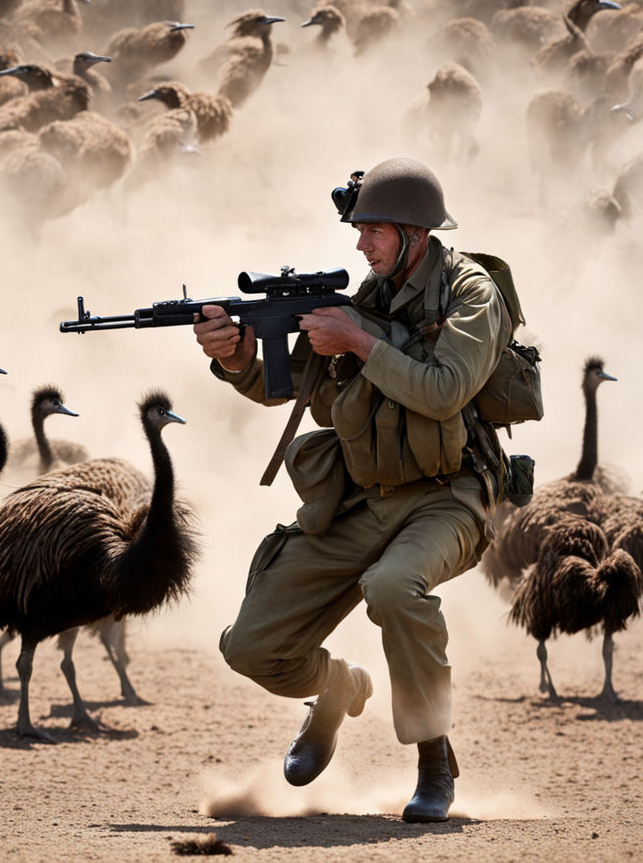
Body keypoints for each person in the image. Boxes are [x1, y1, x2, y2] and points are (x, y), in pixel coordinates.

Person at [193, 157, 511, 822]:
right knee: (249, 646)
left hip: (452, 496)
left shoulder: (473, 294)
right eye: (359, 230)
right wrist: (235, 358)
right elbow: (292, 389)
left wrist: (360, 342)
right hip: (362, 497)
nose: (360, 245)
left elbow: (447, 389)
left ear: (414, 234)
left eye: (373, 231)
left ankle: (433, 760)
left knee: (394, 587)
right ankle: (337, 689)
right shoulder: (364, 298)